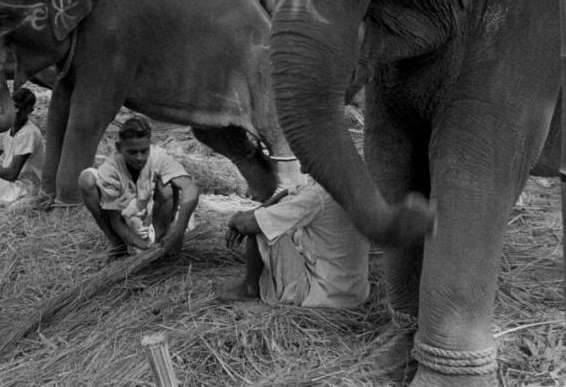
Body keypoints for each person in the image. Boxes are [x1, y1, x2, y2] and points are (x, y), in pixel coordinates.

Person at [220, 169, 370, 309]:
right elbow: (291, 191)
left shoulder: (318, 196)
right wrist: (271, 201)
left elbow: (248, 224)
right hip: (354, 294)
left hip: (321, 296)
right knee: (274, 220)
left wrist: (236, 219)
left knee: (262, 227)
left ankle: (250, 288)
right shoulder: (354, 186)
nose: (302, 166)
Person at [79, 116, 199, 259]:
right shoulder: (111, 169)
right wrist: (146, 247)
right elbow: (116, 221)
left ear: (150, 145)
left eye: (144, 151)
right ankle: (117, 244)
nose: (139, 158)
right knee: (86, 179)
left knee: (166, 187)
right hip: (129, 218)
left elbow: (190, 189)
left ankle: (161, 238)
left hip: (158, 215)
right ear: (119, 148)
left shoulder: (159, 156)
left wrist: (178, 234)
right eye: (132, 152)